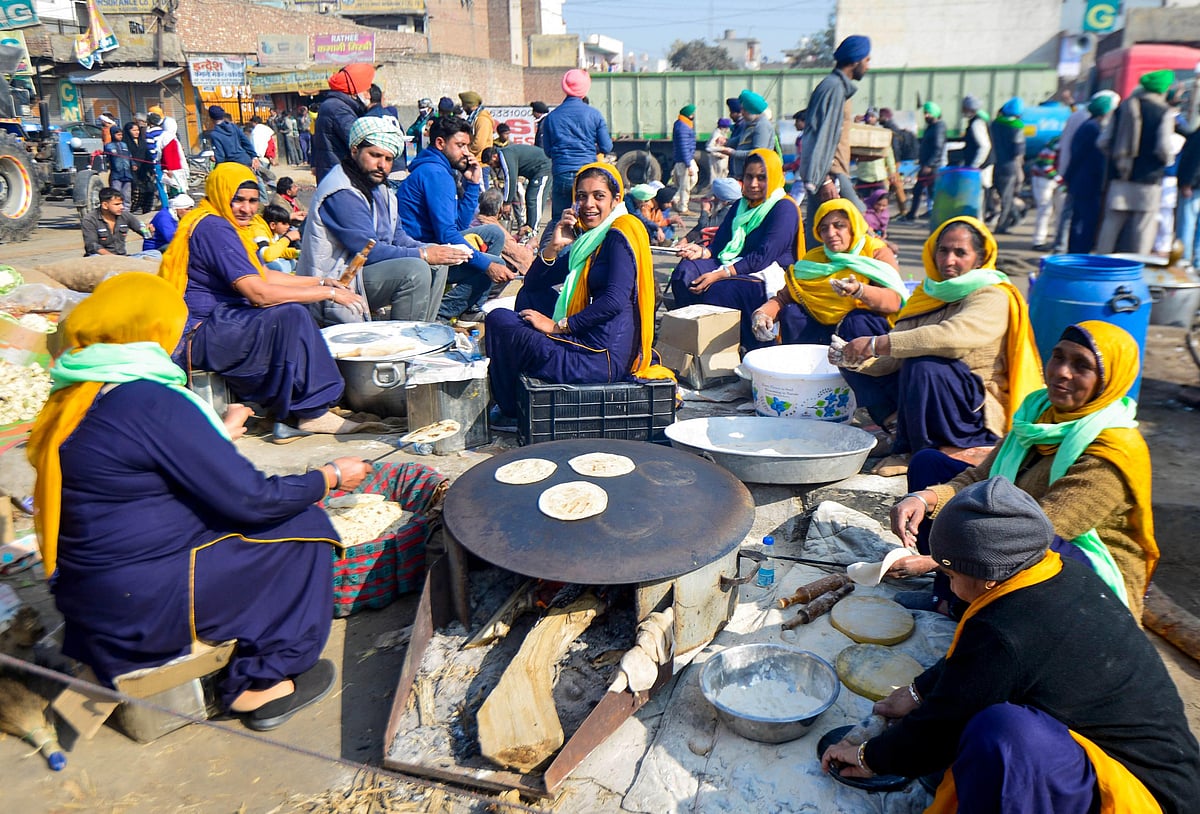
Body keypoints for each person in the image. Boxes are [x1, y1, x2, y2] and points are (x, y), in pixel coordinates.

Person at [28, 272, 373, 731]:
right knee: (304, 530)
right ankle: (257, 684)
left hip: (93, 591)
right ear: (153, 330)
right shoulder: (147, 398)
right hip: (142, 601)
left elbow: (135, 462)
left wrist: (217, 433)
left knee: (257, 519)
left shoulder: (79, 388)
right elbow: (251, 498)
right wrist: (328, 476)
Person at [821, 477, 1200, 814]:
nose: (949, 586)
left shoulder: (1007, 628)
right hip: (1171, 765)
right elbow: (975, 669)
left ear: (988, 576)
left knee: (1001, 735)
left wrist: (869, 756)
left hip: (1139, 793)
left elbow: (941, 726)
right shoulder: (1059, 571)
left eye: (950, 574)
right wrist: (918, 692)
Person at [889, 320, 1158, 619]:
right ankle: (949, 598)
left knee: (1002, 530)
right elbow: (980, 478)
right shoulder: (1038, 413)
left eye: (1081, 365)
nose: (1061, 372)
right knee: (930, 464)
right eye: (1058, 356)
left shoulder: (1111, 450)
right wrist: (923, 498)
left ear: (1108, 380)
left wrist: (938, 559)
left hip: (1083, 562)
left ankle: (977, 605)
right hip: (1023, 526)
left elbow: (1040, 534)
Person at [160, 163, 368, 441]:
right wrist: (328, 294)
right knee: (290, 315)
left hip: (224, 321)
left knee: (290, 312)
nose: (246, 209)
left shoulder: (228, 226)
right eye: (238, 200)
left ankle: (297, 408)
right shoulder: (213, 227)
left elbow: (265, 275)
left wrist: (321, 282)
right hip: (201, 331)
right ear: (221, 195)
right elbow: (258, 292)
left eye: (252, 201)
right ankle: (313, 413)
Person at [836, 216, 1042, 476]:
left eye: (960, 253)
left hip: (972, 409)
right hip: (929, 391)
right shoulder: (929, 293)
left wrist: (877, 344)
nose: (948, 260)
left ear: (979, 259)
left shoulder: (994, 294)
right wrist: (853, 358)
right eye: (943, 251)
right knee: (857, 336)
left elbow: (952, 338)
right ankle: (900, 429)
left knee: (924, 361)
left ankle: (922, 450)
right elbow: (894, 356)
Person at [483, 163, 675, 430]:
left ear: (616, 199)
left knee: (499, 319)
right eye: (582, 196)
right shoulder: (592, 240)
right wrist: (553, 246)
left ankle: (511, 412)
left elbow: (613, 301)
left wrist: (558, 326)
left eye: (599, 196)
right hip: (591, 343)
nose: (588, 204)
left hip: (601, 359)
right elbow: (535, 282)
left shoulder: (620, 234)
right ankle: (527, 382)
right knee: (531, 297)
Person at [298, 117, 470, 324]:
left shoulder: (380, 188)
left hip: (363, 273)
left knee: (438, 262)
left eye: (388, 159)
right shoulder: (342, 191)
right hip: (337, 282)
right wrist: (423, 254)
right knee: (415, 271)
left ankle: (425, 329)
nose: (382, 165)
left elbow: (397, 237)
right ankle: (404, 344)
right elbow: (368, 251)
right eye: (375, 155)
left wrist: (434, 251)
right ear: (354, 151)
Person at [753, 199, 905, 419]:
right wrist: (763, 313)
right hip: (825, 335)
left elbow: (894, 301)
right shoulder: (815, 259)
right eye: (823, 228)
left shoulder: (875, 252)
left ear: (853, 225)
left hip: (864, 336)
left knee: (858, 321)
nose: (831, 233)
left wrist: (860, 291)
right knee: (793, 314)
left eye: (839, 225)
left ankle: (877, 409)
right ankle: (807, 387)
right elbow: (784, 297)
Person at [669, 149, 804, 349]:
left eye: (761, 177)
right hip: (733, 262)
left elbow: (763, 256)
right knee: (685, 273)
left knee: (721, 289)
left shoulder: (784, 208)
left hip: (768, 271)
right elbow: (721, 244)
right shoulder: (741, 205)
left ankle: (731, 349)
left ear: (775, 177)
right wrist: (703, 252)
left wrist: (720, 275)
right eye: (749, 177)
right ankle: (694, 340)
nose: (753, 184)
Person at [397, 114, 514, 323]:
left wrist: (471, 184)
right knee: (492, 263)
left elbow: (457, 225)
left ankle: (471, 306)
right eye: (460, 145)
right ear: (440, 143)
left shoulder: (440, 169)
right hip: (422, 252)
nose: (466, 153)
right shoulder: (435, 174)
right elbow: (447, 235)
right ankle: (439, 313)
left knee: (494, 234)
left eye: (467, 146)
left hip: (436, 240)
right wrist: (486, 266)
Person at [799, 35, 872, 243]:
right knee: (859, 225)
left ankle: (810, 272)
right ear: (856, 60)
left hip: (831, 171)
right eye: (867, 60)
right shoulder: (834, 88)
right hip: (831, 174)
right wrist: (824, 179)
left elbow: (833, 136)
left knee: (820, 232)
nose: (868, 66)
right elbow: (818, 136)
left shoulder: (836, 87)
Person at [1095, 70, 1176, 255]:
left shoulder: (1123, 107)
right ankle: (1136, 269)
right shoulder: (1163, 112)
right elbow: (1163, 147)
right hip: (1148, 180)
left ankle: (1100, 263)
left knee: (1111, 224)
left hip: (1120, 175)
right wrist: (1168, 160)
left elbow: (1102, 142)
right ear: (1163, 89)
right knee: (1143, 228)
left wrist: (1117, 157)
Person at [541, 69, 613, 220]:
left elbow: (547, 151)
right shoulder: (594, 115)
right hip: (587, 174)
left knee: (560, 221)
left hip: (561, 173)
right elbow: (606, 147)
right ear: (585, 88)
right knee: (587, 220)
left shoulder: (551, 117)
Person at [1063, 92, 1119, 254]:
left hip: (1079, 181)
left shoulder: (1087, 126)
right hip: (1087, 183)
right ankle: (1080, 253)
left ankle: (1074, 251)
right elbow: (1084, 157)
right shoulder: (1094, 129)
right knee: (1087, 221)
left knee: (1078, 219)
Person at [312, 63, 375, 183]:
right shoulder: (339, 109)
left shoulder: (334, 105)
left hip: (333, 173)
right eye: (366, 90)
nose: (369, 95)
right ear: (354, 92)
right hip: (339, 177)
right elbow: (358, 140)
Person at [484, 142, 552, 233]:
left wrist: (507, 203)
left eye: (491, 164)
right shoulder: (506, 154)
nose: (493, 166)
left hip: (543, 168)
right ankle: (529, 226)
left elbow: (510, 178)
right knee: (529, 197)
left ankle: (533, 229)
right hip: (536, 172)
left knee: (534, 198)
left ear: (494, 157)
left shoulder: (504, 155)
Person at [81, 187, 156, 258]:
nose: (122, 207)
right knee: (94, 257)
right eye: (117, 204)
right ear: (105, 205)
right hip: (100, 258)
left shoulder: (125, 215)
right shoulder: (90, 219)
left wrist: (150, 232)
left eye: (121, 204)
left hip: (122, 257)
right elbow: (92, 246)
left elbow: (144, 232)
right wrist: (113, 258)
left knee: (155, 254)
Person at [719, 90, 777, 180]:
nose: (741, 113)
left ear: (752, 111)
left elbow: (758, 152)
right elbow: (741, 139)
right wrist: (727, 142)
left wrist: (733, 153)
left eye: (744, 110)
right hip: (743, 173)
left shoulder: (762, 126)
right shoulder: (749, 124)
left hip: (755, 175)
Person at [989, 98, 1026, 234]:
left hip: (994, 164)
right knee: (1007, 197)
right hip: (1009, 167)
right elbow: (1018, 152)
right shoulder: (1017, 127)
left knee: (999, 193)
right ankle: (1003, 225)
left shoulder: (994, 125)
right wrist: (1020, 171)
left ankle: (1016, 216)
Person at [905, 101, 946, 221]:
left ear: (935, 113)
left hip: (932, 166)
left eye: (928, 113)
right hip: (927, 164)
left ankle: (937, 214)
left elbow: (938, 148)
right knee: (920, 190)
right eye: (925, 113)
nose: (926, 116)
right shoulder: (932, 127)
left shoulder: (938, 128)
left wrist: (929, 164)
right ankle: (913, 214)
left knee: (932, 191)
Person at [684, 176, 742, 245]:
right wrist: (686, 239)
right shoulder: (731, 206)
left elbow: (705, 227)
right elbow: (704, 225)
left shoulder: (729, 210)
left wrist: (705, 210)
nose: (713, 199)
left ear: (722, 198)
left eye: (715, 196)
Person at [954, 95, 993, 197]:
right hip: (983, 164)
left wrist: (974, 165)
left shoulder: (976, 123)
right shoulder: (978, 121)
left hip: (981, 166)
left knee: (981, 193)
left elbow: (984, 146)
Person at [1029, 136, 1062, 251]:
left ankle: (1058, 239)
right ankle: (1038, 241)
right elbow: (1045, 165)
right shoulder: (1057, 143)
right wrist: (1060, 180)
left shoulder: (1060, 141)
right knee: (1045, 210)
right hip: (1042, 178)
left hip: (1056, 178)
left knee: (1060, 210)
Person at [1177, 119, 1200, 267]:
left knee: (1187, 223)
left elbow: (1196, 159)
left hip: (1195, 186)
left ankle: (1183, 261)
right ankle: (1197, 262)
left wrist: (1187, 183)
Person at [254, 204, 301, 273]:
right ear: (273, 225)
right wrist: (287, 238)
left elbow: (277, 251)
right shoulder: (259, 231)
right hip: (255, 263)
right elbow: (266, 256)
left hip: (266, 259)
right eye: (284, 224)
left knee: (292, 261)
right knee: (275, 267)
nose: (288, 226)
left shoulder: (272, 232)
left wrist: (296, 253)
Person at [671, 104, 698, 214]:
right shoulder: (683, 127)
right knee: (686, 184)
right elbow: (684, 146)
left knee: (691, 180)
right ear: (689, 115)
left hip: (685, 159)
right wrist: (688, 164)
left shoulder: (682, 124)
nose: (693, 115)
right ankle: (683, 207)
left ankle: (676, 198)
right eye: (692, 113)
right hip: (685, 160)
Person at [459, 90, 495, 163]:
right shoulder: (475, 118)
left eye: (464, 105)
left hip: (480, 162)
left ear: (469, 105)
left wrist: (466, 151)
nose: (463, 108)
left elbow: (479, 144)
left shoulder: (482, 120)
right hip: (475, 159)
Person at [103, 126, 133, 204]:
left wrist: (133, 164)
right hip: (116, 174)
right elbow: (106, 159)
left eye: (121, 135)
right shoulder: (108, 146)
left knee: (127, 195)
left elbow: (130, 156)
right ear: (113, 135)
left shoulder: (124, 145)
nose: (120, 136)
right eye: (118, 135)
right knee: (116, 194)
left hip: (127, 173)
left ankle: (126, 211)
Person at [707, 116, 732, 181]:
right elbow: (709, 148)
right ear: (722, 127)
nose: (728, 130)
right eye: (727, 128)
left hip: (721, 160)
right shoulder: (717, 134)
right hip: (717, 160)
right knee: (716, 179)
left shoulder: (721, 134)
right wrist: (723, 149)